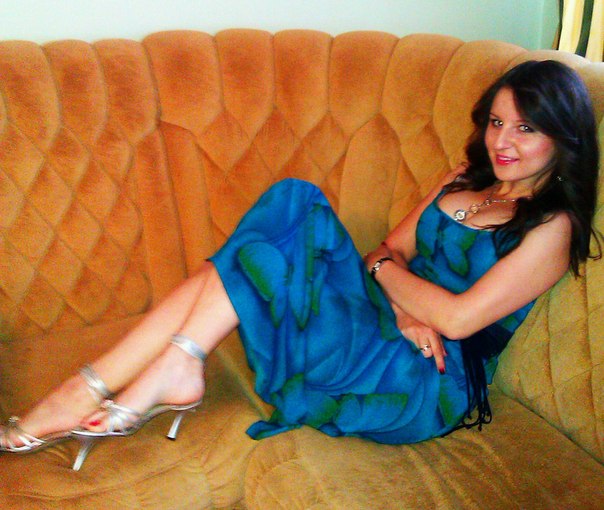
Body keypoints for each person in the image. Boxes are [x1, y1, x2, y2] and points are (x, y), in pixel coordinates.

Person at [1, 60, 600, 471]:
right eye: (496, 122)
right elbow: (384, 250)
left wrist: (395, 291)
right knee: (286, 209)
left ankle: (97, 388)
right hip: (392, 324)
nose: (502, 141)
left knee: (270, 232)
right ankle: (163, 370)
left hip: (424, 376)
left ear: (564, 137)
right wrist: (400, 307)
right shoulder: (463, 180)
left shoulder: (552, 228)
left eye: (526, 128)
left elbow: (459, 319)